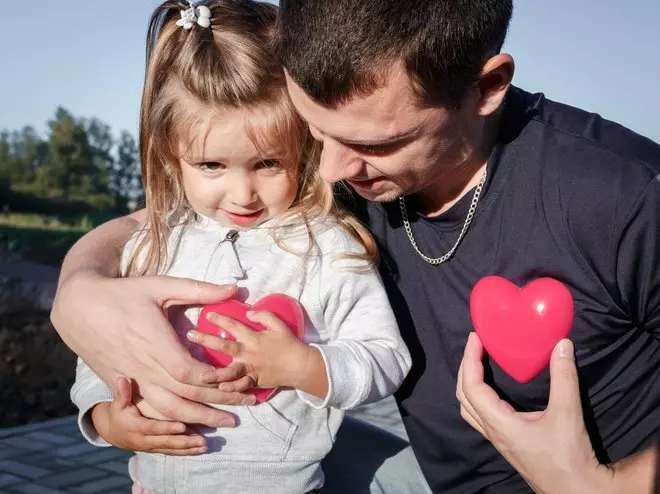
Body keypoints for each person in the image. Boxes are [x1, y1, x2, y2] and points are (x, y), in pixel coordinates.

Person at [52, 0, 660, 492]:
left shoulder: (624, 197)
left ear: (487, 87)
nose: (335, 173)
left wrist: (604, 484)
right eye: (315, 134)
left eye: (378, 143)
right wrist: (80, 290)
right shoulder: (320, 177)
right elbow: (162, 224)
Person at [68, 1, 412, 493]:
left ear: (306, 149)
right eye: (212, 166)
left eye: (269, 163)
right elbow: (98, 345)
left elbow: (385, 357)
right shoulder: (149, 247)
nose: (242, 193)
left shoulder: (326, 250)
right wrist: (103, 416)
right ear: (171, 157)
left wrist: (303, 366)